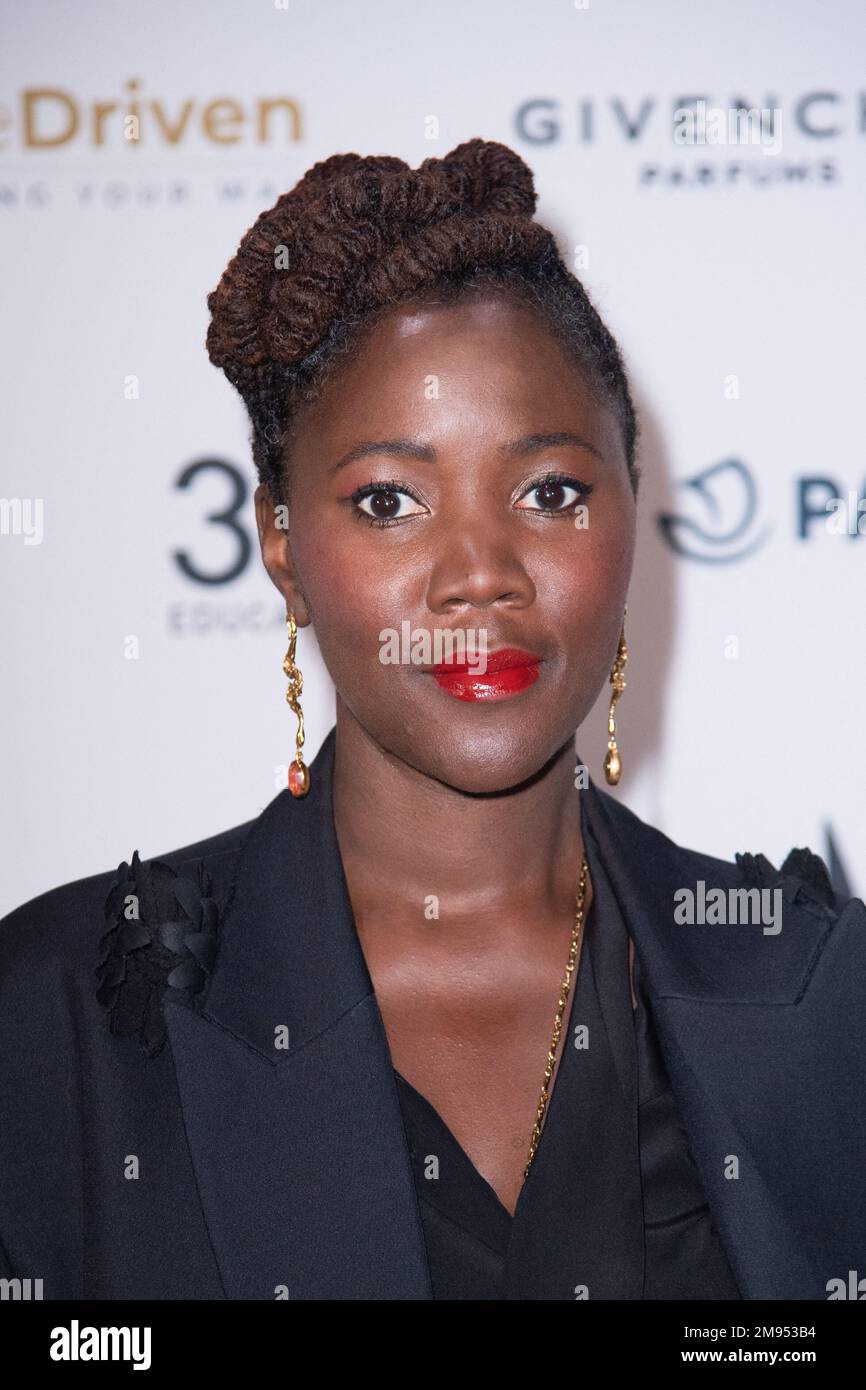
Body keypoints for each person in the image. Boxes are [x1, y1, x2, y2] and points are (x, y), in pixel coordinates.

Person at [1, 139, 863, 1302]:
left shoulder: (818, 993)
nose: (478, 575)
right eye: (389, 501)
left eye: (547, 490)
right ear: (280, 546)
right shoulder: (57, 1021)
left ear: (628, 509)